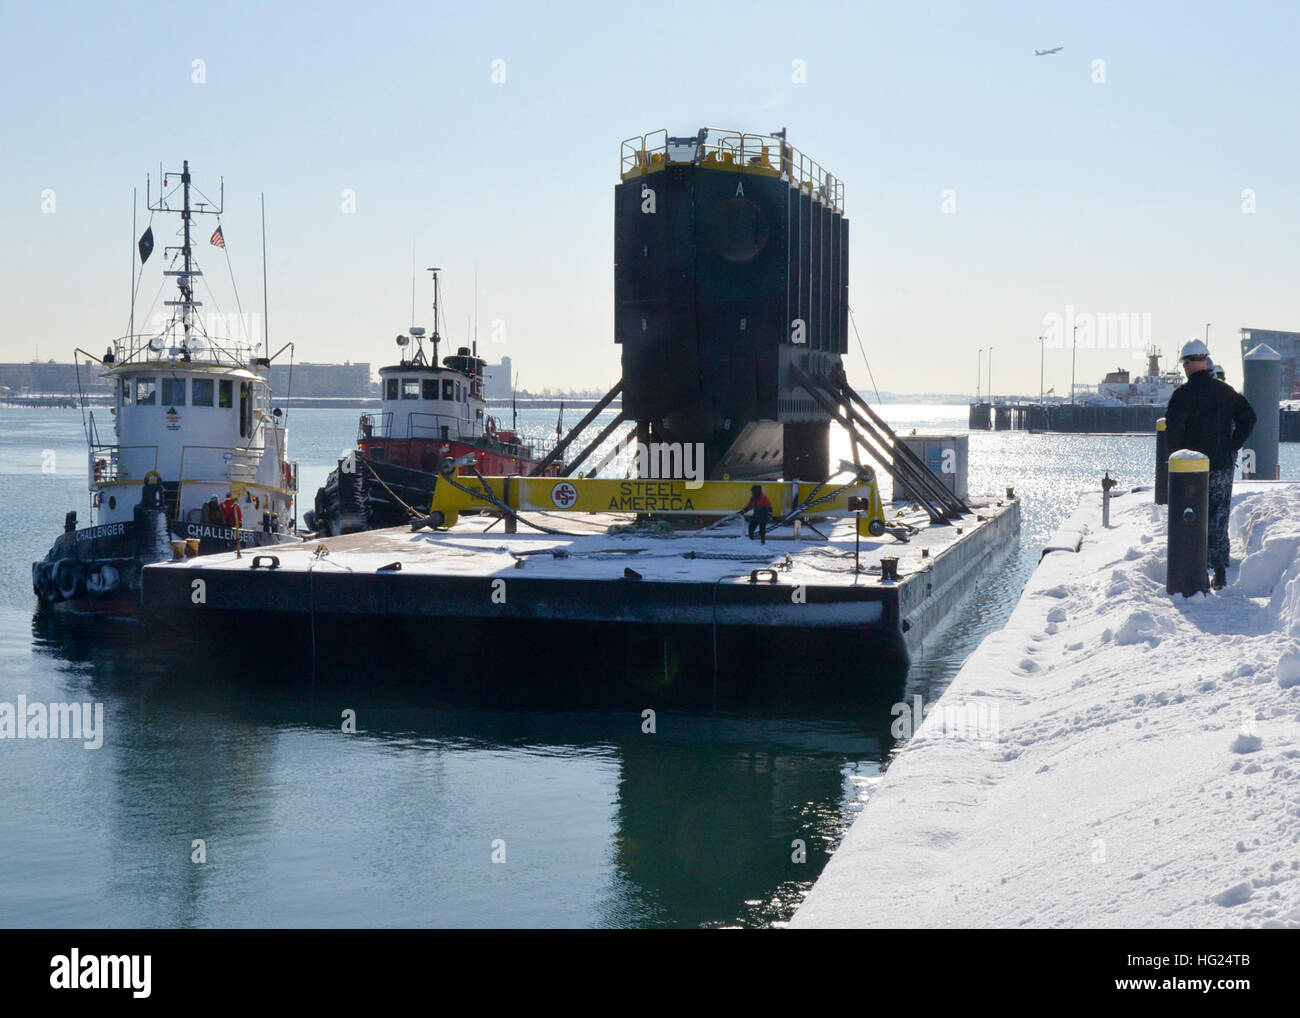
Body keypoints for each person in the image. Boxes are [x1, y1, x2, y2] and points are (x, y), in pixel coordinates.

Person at [1164, 338, 1256, 589]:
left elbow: (1173, 434)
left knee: (1191, 517)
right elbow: (1249, 418)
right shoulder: (1225, 392)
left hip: (1190, 471)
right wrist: (1232, 444)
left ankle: (1194, 570)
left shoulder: (1182, 395)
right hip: (1222, 465)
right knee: (1218, 517)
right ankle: (1219, 572)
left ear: (1188, 364)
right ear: (1206, 361)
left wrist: (1175, 461)